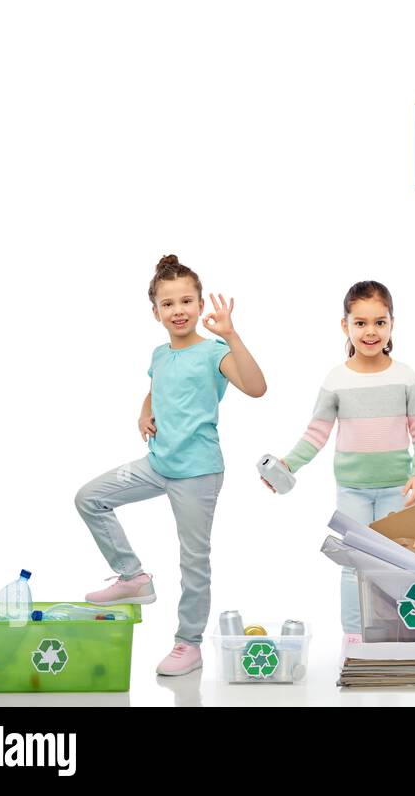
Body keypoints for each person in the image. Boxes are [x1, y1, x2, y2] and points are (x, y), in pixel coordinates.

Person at [75, 255, 267, 676]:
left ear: (200, 305)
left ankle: (188, 644)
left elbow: (256, 387)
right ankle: (132, 577)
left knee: (193, 559)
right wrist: (144, 413)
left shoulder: (214, 352)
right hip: (158, 463)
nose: (178, 310)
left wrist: (232, 336)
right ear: (156, 312)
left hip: (198, 472)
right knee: (90, 498)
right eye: (168, 304)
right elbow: (154, 390)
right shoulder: (160, 354)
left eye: (186, 301)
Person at [265, 281, 415, 635]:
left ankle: (393, 632)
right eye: (360, 323)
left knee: (394, 565)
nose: (370, 331)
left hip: (397, 490)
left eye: (379, 322)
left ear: (391, 324)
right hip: (352, 490)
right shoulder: (336, 380)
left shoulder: (406, 377)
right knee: (353, 565)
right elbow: (316, 433)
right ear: (346, 325)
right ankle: (354, 635)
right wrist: (288, 464)